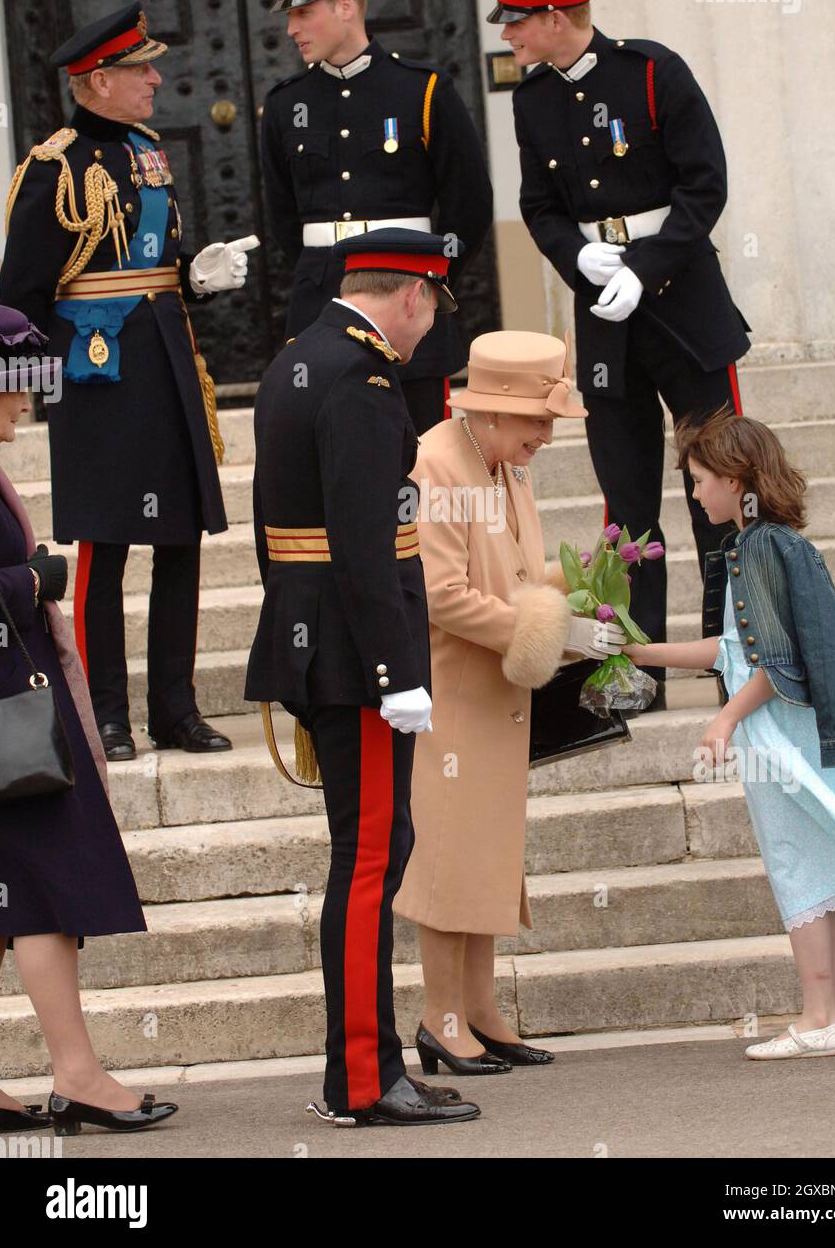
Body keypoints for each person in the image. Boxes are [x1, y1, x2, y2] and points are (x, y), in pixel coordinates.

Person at [245, 229, 479, 1127]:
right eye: (432, 311)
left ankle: (369, 1066)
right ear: (413, 296)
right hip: (357, 655)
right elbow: (364, 540)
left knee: (374, 855)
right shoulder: (363, 378)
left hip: (321, 644)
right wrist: (395, 670)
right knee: (372, 860)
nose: (428, 330)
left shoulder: (300, 358)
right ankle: (362, 1078)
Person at [487, 0, 752, 709]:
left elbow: (706, 185)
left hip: (684, 309)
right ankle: (641, 669)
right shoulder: (531, 100)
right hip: (608, 317)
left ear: (555, 17)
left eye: (515, 21)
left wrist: (650, 264)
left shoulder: (652, 72)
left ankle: (737, 654)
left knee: (723, 492)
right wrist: (579, 256)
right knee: (626, 505)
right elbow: (540, 206)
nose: (509, 35)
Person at [0, 2, 253, 761]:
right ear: (98, 79)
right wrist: (20, 406)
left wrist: (196, 284)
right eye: (140, 68)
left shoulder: (148, 151)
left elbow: (154, 264)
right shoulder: (55, 166)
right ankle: (106, 712)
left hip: (166, 361)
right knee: (106, 547)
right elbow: (20, 299)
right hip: (95, 378)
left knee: (180, 541)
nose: (155, 78)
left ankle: (175, 708)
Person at [624, 407, 835, 1058]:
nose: (694, 495)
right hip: (799, 729)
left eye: (699, 480)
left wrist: (724, 718)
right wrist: (644, 653)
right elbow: (730, 650)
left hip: (778, 733)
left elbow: (771, 665)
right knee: (815, 875)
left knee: (800, 874)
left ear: (734, 477)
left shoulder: (754, 549)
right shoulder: (773, 543)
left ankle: (816, 1017)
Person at [393, 330, 626, 1073]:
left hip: (498, 690)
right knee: (447, 856)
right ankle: (439, 1016)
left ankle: (483, 1009)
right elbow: (440, 594)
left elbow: (524, 571)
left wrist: (577, 611)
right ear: (490, 413)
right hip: (453, 691)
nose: (546, 437)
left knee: (489, 853)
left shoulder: (505, 462)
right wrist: (545, 629)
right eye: (537, 421)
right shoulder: (437, 461)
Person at [0, 305, 177, 1135]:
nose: (25, 404)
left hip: (15, 710)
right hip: (12, 724)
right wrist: (32, 582)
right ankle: (78, 1073)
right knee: (45, 897)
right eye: (14, 385)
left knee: (18, 900)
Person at [259, 0, 493, 433]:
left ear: (345, 6)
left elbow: (468, 203)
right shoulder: (286, 103)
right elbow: (281, 215)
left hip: (408, 294)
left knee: (421, 451)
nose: (291, 29)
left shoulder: (423, 89)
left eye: (303, 12)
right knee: (327, 442)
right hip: (321, 299)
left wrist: (430, 282)